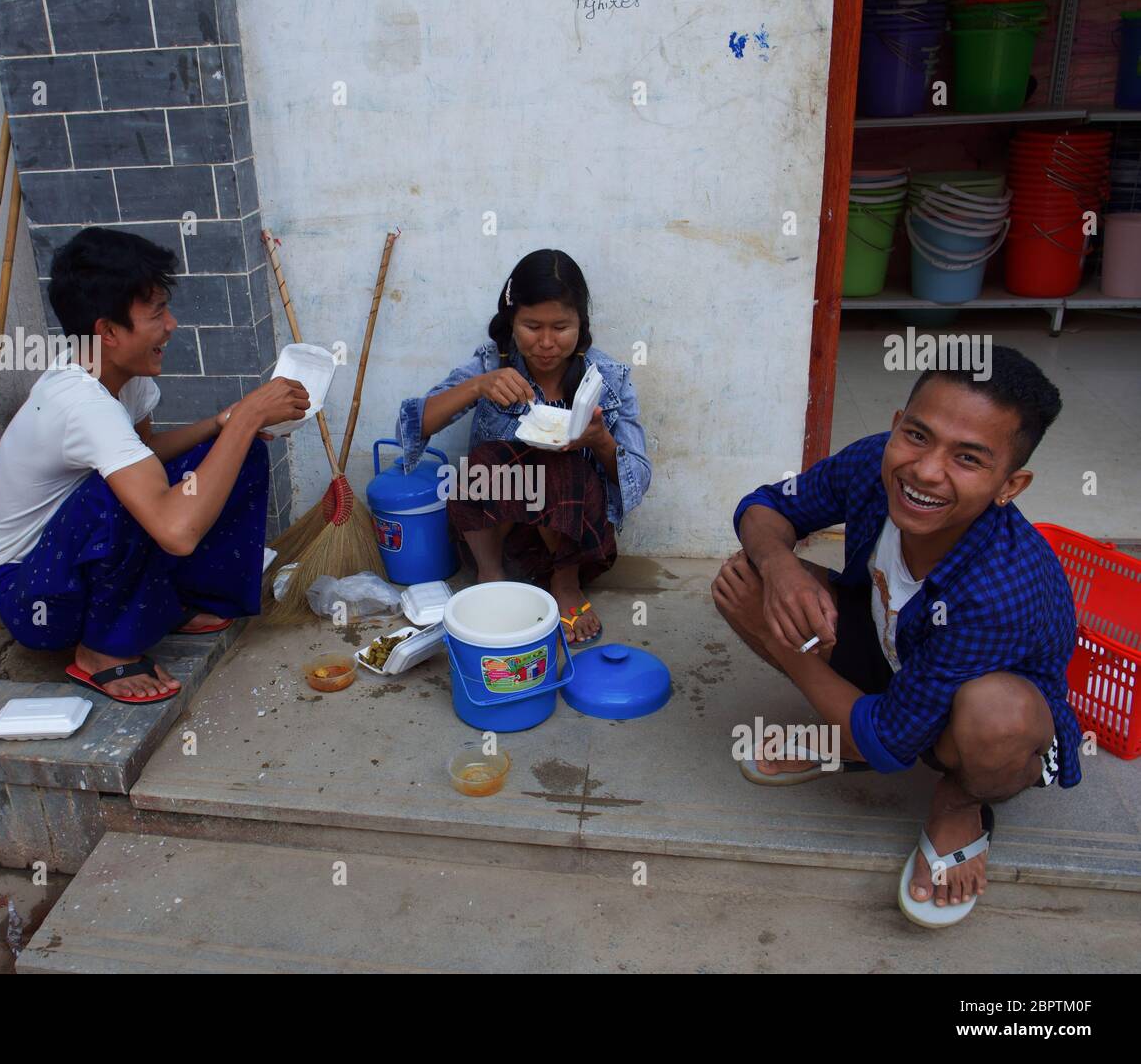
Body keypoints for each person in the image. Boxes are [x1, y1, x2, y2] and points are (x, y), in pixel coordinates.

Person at [712, 346, 1078, 927]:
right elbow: (762, 508)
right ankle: (841, 732)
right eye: (918, 435)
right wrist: (780, 567)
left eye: (968, 458)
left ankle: (959, 806)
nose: (927, 471)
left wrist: (792, 647)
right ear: (895, 427)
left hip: (984, 721)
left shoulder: (1001, 587)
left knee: (996, 715)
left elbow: (889, 746)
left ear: (1011, 485)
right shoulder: (876, 467)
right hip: (898, 655)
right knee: (748, 575)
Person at [0, 228, 310, 704]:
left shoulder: (120, 374)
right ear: (109, 331)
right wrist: (248, 417)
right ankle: (98, 652)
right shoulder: (80, 403)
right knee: (130, 498)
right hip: (37, 597)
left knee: (233, 451)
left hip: (68, 561)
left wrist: (224, 424)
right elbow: (174, 531)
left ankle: (177, 602)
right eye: (157, 313)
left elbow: (149, 454)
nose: (172, 324)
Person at [395, 250, 651, 644]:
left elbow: (637, 478)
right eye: (532, 326)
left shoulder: (608, 378)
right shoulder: (490, 364)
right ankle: (491, 575)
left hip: (576, 538)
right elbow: (414, 425)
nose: (547, 343)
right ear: (511, 321)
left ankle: (564, 585)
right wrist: (478, 386)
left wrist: (600, 440)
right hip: (501, 533)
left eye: (561, 327)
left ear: (581, 324)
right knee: (482, 464)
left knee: (557, 464)